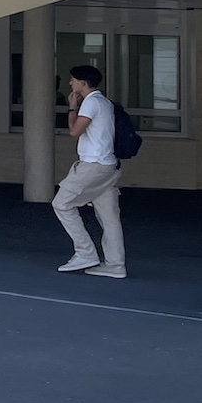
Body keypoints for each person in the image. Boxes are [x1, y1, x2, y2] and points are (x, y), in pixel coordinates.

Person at [53, 64, 126, 279]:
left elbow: (74, 131)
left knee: (62, 204)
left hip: (93, 166)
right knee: (109, 218)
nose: (70, 83)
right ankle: (115, 265)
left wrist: (72, 107)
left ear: (83, 83)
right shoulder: (104, 102)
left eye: (73, 80)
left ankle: (85, 252)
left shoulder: (91, 102)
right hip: (108, 165)